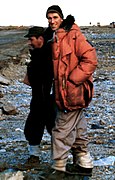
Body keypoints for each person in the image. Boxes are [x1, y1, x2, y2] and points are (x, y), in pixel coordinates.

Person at [45, 5, 98, 177]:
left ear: (61, 18)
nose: (51, 21)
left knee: (61, 128)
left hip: (72, 92)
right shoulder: (56, 37)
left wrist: (73, 80)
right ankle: (84, 164)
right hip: (67, 92)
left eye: (54, 17)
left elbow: (90, 58)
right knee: (78, 127)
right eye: (49, 18)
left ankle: (58, 169)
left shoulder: (74, 35)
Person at [22, 26, 56, 169]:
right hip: (38, 98)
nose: (29, 42)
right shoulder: (37, 54)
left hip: (49, 99)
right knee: (32, 128)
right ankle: (34, 156)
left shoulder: (48, 55)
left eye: (31, 39)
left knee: (55, 129)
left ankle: (61, 161)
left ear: (40, 39)